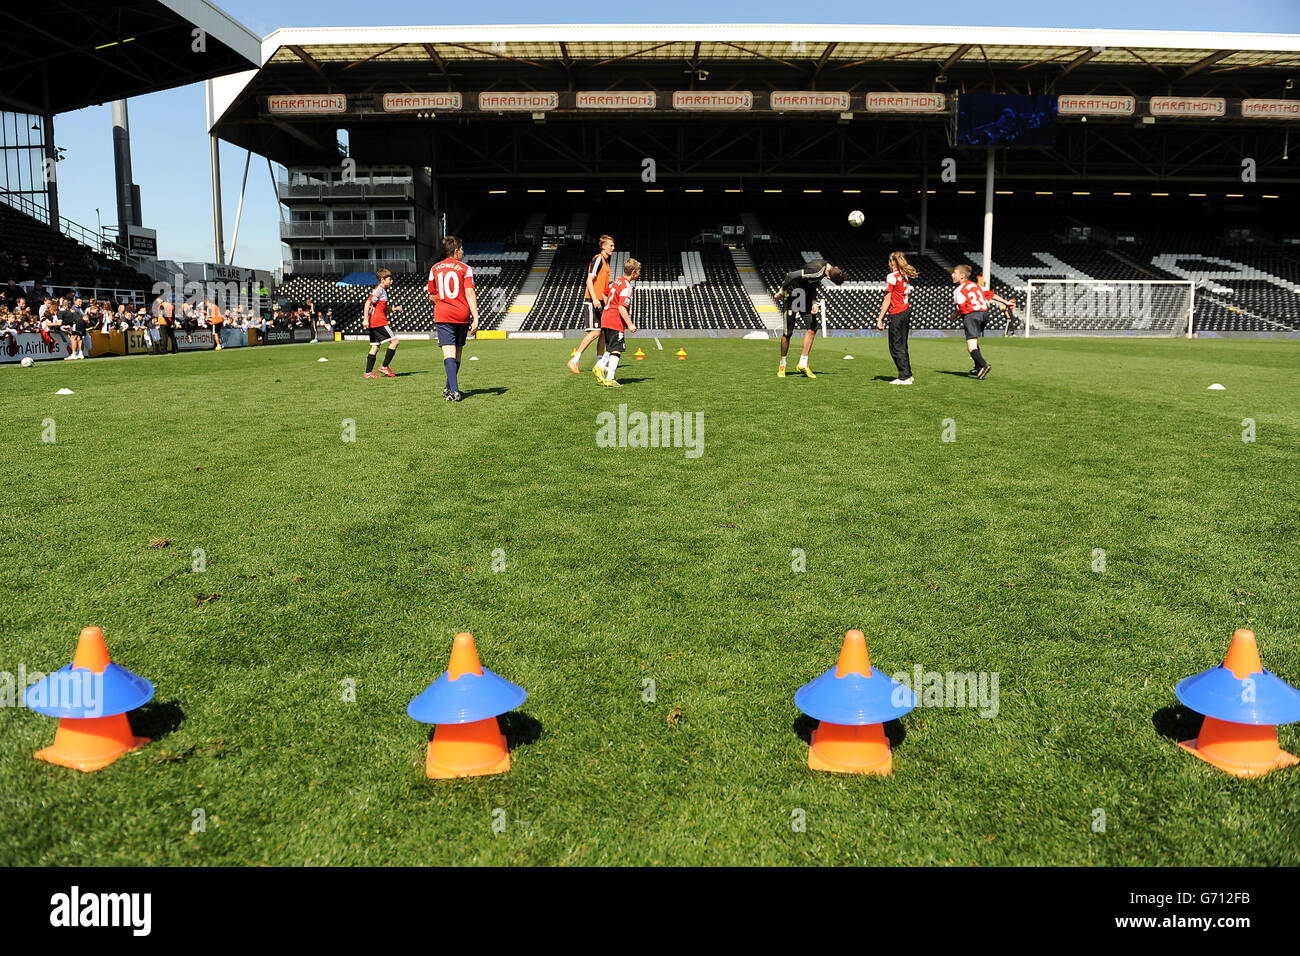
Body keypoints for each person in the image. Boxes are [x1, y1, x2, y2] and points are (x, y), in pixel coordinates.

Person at [428, 235, 480, 401]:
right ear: (456, 251)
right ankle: (450, 388)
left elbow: (431, 295)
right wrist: (476, 317)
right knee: (457, 352)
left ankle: (453, 390)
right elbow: (470, 292)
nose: (463, 252)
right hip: (462, 314)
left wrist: (442, 301)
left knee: (449, 352)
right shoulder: (465, 269)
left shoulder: (434, 268)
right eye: (462, 249)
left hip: (443, 314)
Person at [774, 257, 845, 378]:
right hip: (793, 295)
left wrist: (813, 302)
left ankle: (803, 363)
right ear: (829, 277)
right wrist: (781, 291)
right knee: (787, 333)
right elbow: (791, 276)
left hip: (805, 297)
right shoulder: (816, 269)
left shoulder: (825, 267)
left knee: (813, 327)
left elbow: (811, 285)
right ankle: (782, 365)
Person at [950, 264, 1015, 379]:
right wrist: (1006, 302)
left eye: (954, 273)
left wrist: (954, 315)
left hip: (972, 315)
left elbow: (962, 308)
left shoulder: (958, 290)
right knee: (974, 341)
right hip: (984, 314)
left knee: (971, 346)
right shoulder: (976, 286)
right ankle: (977, 367)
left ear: (962, 276)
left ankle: (984, 365)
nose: (952, 275)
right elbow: (991, 294)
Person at [568, 234, 613, 376]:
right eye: (611, 245)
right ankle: (574, 360)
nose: (613, 247)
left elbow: (602, 286)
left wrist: (606, 300)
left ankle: (599, 363)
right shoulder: (598, 259)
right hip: (592, 300)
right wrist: (594, 298)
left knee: (604, 334)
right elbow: (589, 280)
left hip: (600, 301)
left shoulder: (606, 262)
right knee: (595, 333)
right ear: (604, 246)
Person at [595, 258, 640, 388]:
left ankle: (600, 366)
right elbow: (621, 307)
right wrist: (630, 324)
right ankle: (610, 377)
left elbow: (604, 294)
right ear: (633, 272)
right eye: (638, 272)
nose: (639, 274)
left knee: (611, 347)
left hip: (606, 316)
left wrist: (608, 307)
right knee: (617, 349)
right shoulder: (627, 286)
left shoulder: (616, 281)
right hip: (615, 319)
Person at [876, 252, 918, 385]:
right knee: (902, 345)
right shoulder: (904, 275)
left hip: (897, 312)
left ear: (891, 262)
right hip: (906, 310)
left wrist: (880, 318)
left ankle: (904, 376)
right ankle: (908, 374)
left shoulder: (892, 276)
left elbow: (887, 299)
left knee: (895, 346)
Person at [363, 269, 399, 379]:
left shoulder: (383, 291)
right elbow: (368, 303)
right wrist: (365, 319)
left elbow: (381, 307)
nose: (391, 281)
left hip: (373, 322)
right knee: (395, 342)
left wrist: (393, 309)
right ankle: (384, 366)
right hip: (378, 321)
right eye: (390, 279)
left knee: (375, 347)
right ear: (382, 280)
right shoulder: (379, 289)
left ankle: (368, 373)